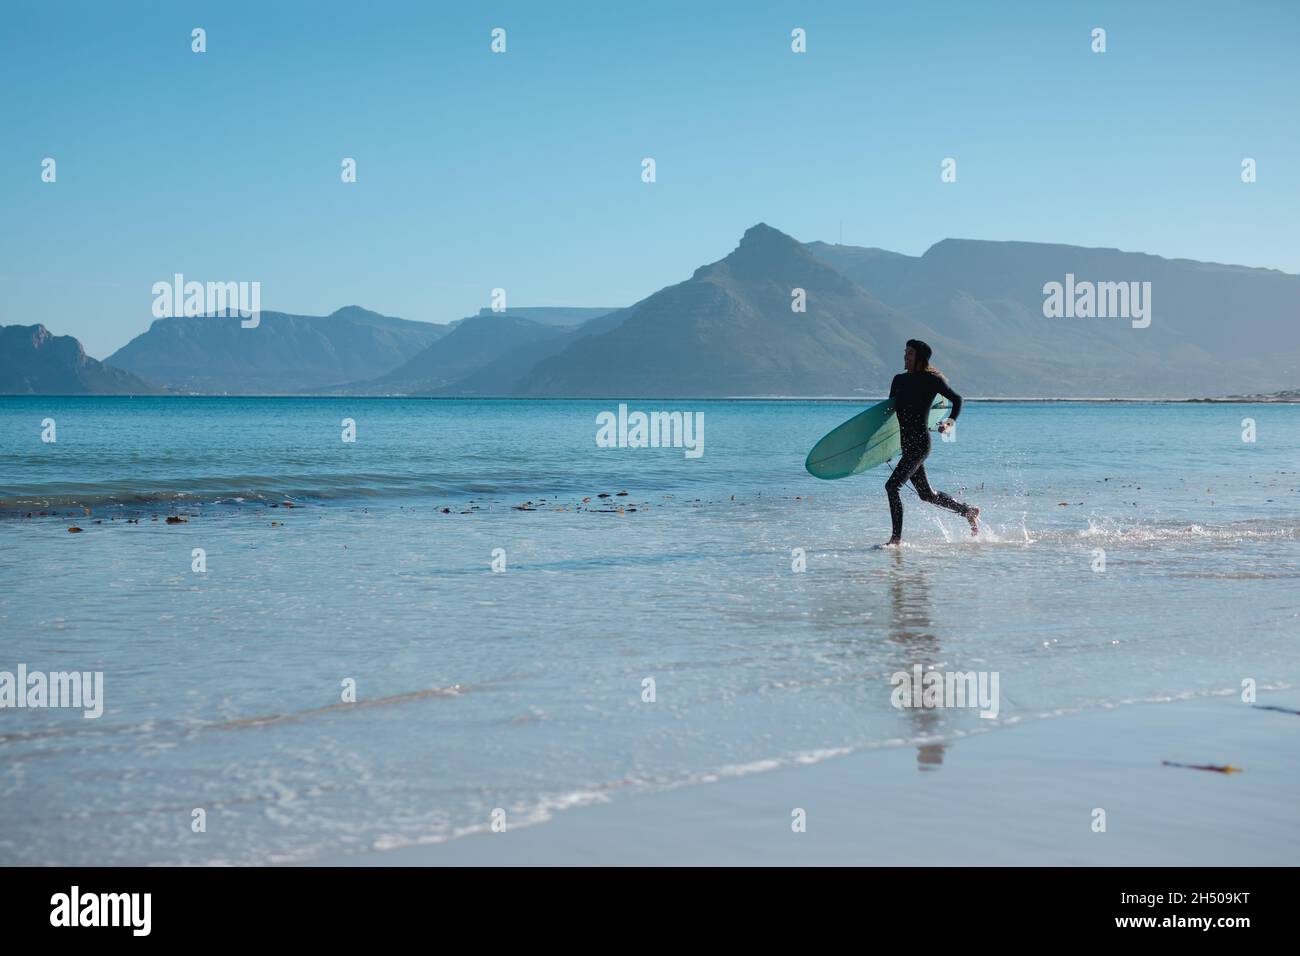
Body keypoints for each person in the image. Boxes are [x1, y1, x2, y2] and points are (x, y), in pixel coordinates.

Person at [882, 339, 979, 545]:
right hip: (905, 445)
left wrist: (950, 422)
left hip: (919, 445)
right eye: (905, 352)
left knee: (892, 487)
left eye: (910, 354)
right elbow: (889, 415)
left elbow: (957, 399)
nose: (905, 357)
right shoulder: (898, 380)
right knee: (927, 494)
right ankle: (967, 511)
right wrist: (884, 448)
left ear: (920, 358)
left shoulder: (931, 380)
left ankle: (895, 540)